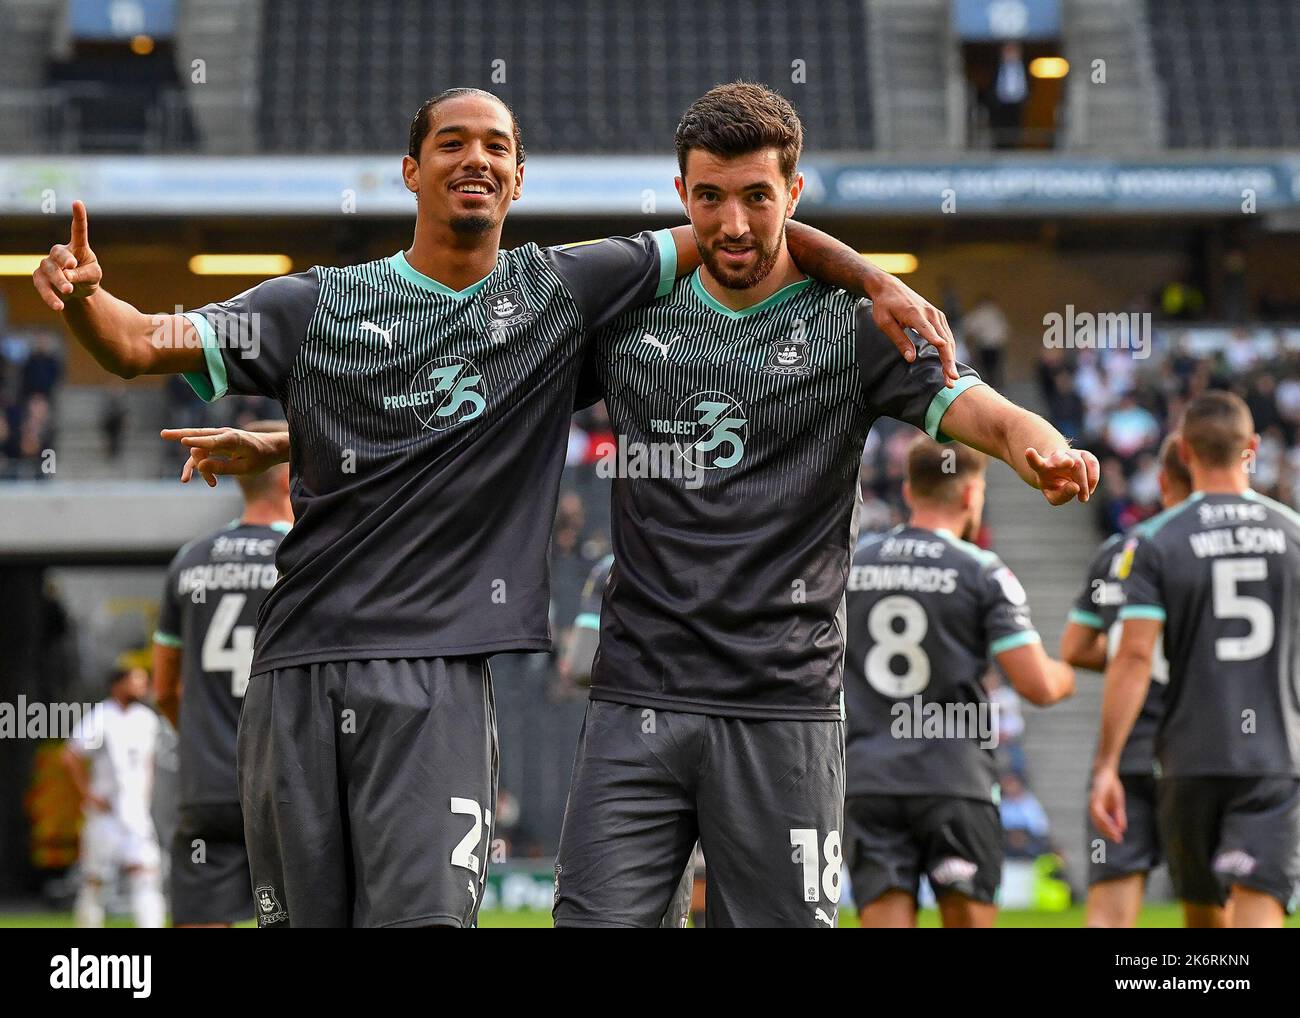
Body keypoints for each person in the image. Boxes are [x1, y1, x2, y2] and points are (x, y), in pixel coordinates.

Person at [35, 87, 956, 928]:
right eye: (450, 142)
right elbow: (142, 343)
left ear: (520, 175)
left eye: (495, 145)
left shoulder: (556, 291)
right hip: (299, 665)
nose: (474, 157)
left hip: (436, 676)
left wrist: (874, 279)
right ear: (411, 170)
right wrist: (85, 302)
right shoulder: (314, 303)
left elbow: (748, 229)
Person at [549, 83, 1097, 927]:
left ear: (793, 195)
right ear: (681, 195)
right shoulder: (628, 316)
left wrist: (1038, 443)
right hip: (637, 703)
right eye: (710, 197)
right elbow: (501, 373)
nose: (734, 224)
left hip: (784, 708)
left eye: (758, 197)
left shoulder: (852, 329)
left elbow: (972, 400)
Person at [843, 437, 1075, 929]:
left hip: (868, 780)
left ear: (909, 490)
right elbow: (1036, 685)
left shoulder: (853, 566)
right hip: (953, 779)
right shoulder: (981, 570)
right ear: (972, 495)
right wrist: (1068, 673)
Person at [1091, 392, 1300, 928]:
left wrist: (1108, 763)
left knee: (1203, 924)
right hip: (1273, 760)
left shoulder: (1155, 541)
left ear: (1183, 452)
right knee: (1257, 910)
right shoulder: (1292, 535)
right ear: (1252, 449)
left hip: (1187, 762)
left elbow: (1134, 656)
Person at [152, 420, 292, 927]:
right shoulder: (307, 560)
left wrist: (202, 741)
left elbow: (163, 688)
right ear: (284, 478)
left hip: (207, 785)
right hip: (288, 785)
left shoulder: (188, 561)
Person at [1061, 433, 1190, 927]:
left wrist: (1128, 659)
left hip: (1130, 746)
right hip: (1200, 748)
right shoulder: (1198, 549)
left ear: (1161, 481)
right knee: (1215, 911)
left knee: (1110, 916)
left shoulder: (1120, 549)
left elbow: (1074, 648)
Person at [60, 666, 164, 928]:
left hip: (136, 814)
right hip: (105, 815)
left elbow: (148, 764)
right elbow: (70, 756)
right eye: (135, 680)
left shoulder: (147, 720)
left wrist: (144, 800)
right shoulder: (101, 718)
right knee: (95, 882)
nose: (142, 686)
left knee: (146, 876)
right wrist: (88, 795)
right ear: (118, 685)